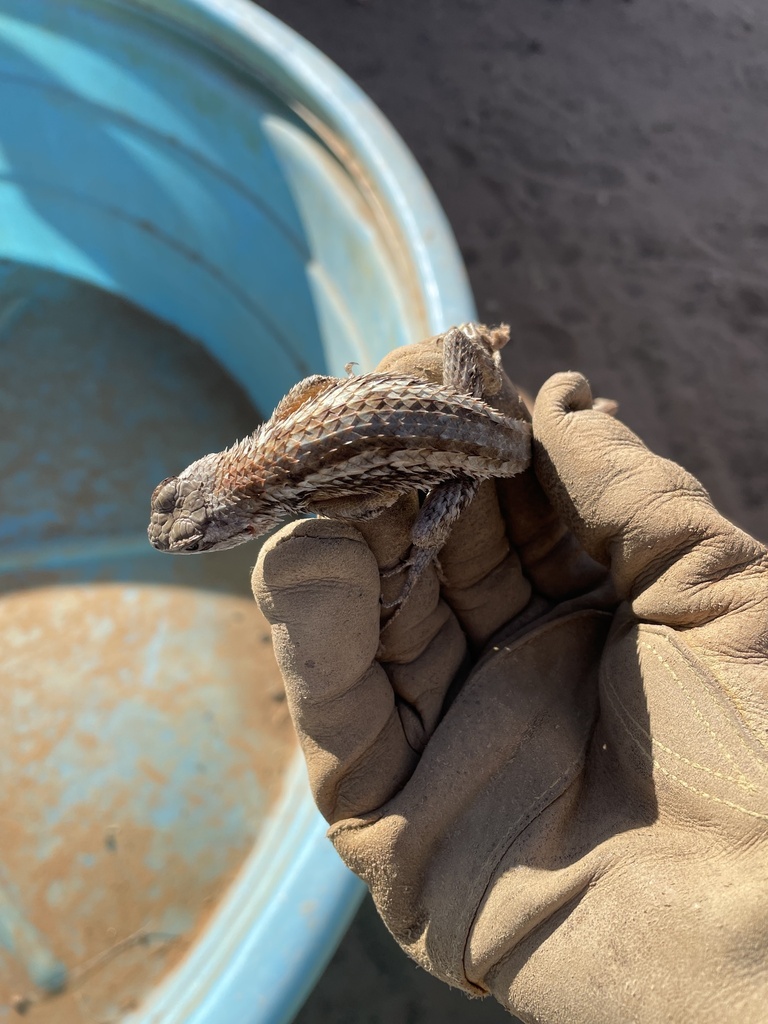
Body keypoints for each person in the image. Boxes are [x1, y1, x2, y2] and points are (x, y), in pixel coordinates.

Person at [252, 334, 768, 1024]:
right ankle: (479, 350)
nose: (187, 538)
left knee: (426, 531)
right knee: (460, 369)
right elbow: (309, 390)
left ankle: (462, 492)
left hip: (476, 458)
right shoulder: (272, 441)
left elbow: (367, 485)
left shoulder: (290, 482)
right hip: (460, 427)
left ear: (247, 513)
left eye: (204, 533)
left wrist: (419, 546)